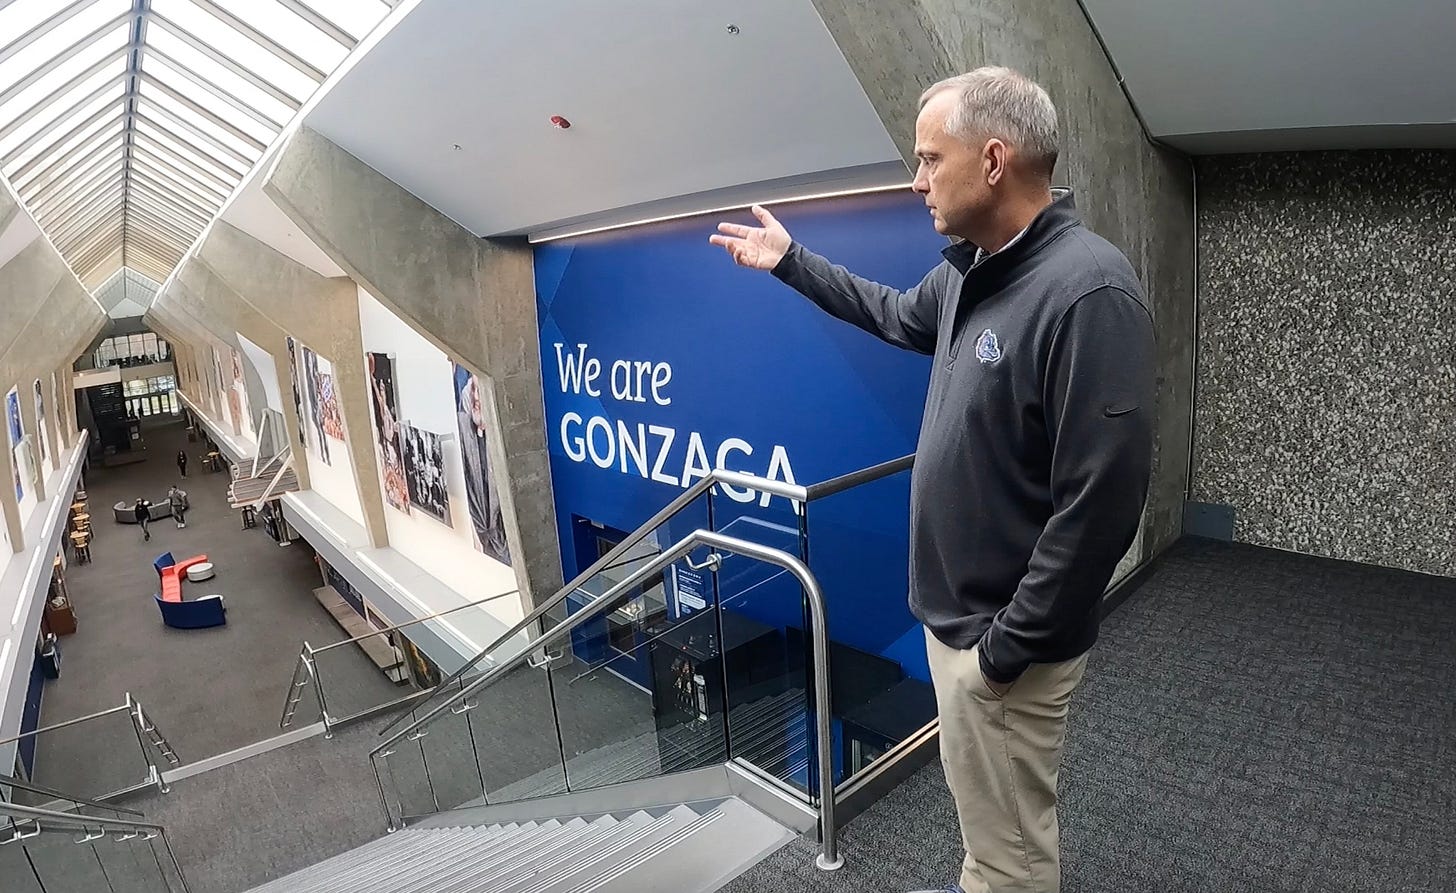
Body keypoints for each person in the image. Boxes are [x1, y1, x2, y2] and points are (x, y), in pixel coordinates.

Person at [710, 67, 1155, 893]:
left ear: (993, 159)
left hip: (1003, 647)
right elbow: (889, 311)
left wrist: (999, 655)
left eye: (928, 158)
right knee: (987, 825)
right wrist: (791, 263)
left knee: (1015, 857)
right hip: (961, 627)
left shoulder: (1089, 291)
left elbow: (1102, 507)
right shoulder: (968, 274)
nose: (916, 181)